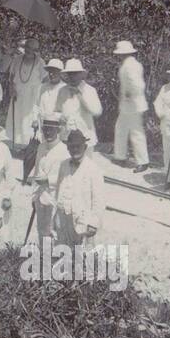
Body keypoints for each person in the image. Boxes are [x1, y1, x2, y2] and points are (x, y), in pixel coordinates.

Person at [52, 130, 107, 245]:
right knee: (63, 252)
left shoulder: (93, 169)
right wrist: (55, 215)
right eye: (72, 147)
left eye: (78, 146)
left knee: (81, 256)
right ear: (67, 148)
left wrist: (93, 222)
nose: (75, 150)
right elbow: (58, 191)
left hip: (83, 221)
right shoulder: (63, 165)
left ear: (85, 147)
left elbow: (99, 199)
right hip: (63, 219)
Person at [28, 112, 69, 241]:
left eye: (51, 130)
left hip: (55, 199)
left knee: (54, 234)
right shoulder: (41, 147)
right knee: (41, 232)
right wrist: (34, 198)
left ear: (57, 130)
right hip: (40, 198)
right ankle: (42, 259)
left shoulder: (64, 151)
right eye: (45, 129)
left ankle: (52, 260)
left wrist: (48, 180)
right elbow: (37, 171)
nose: (48, 133)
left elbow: (67, 178)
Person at [112, 40, 149, 172]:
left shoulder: (130, 65)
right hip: (128, 105)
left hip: (133, 104)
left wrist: (131, 94)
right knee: (121, 128)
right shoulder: (130, 64)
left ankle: (143, 161)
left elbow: (138, 84)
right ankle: (120, 156)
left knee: (136, 132)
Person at [5, 37, 46, 150]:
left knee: (30, 119)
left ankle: (28, 145)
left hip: (33, 96)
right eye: (27, 47)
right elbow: (11, 76)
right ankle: (16, 144)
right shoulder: (17, 59)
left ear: (36, 50)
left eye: (32, 48)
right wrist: (11, 88)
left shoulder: (40, 62)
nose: (29, 50)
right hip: (18, 93)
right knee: (17, 117)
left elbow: (45, 80)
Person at [55, 59, 103, 151]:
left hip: (85, 137)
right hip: (66, 137)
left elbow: (97, 112)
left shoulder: (90, 90)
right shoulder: (62, 91)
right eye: (70, 74)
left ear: (81, 75)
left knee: (86, 164)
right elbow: (56, 111)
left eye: (75, 73)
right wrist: (60, 117)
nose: (72, 77)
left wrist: (80, 96)